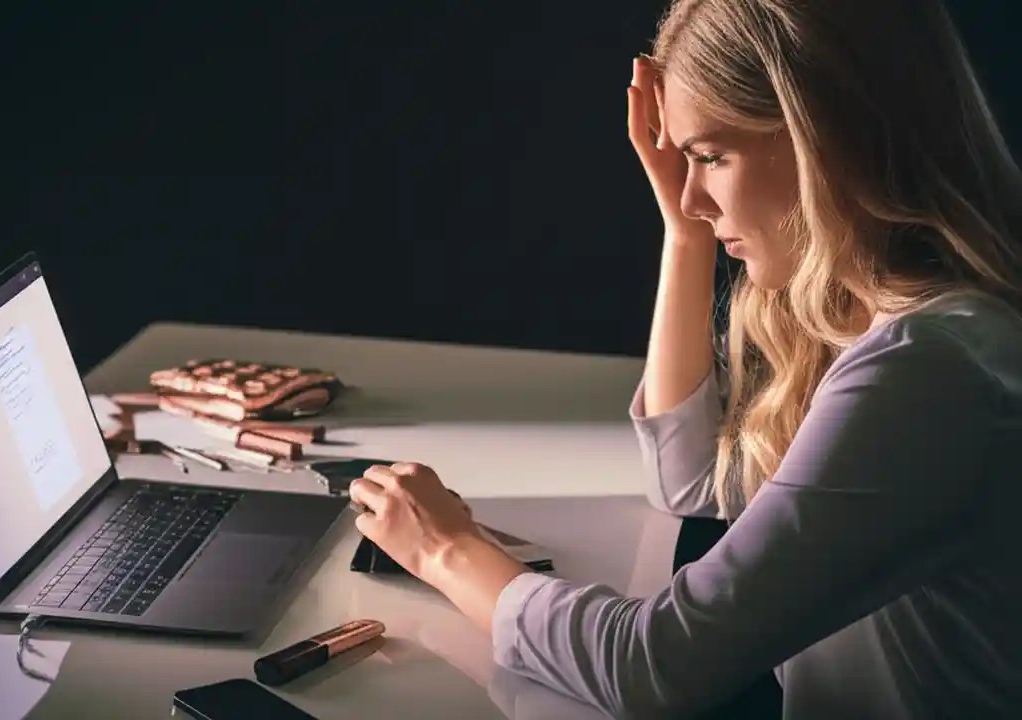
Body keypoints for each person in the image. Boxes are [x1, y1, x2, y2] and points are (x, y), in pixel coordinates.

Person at [347, 0, 1022, 717]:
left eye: (710, 157)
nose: (692, 194)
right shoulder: (891, 324)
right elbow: (693, 478)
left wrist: (444, 550)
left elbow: (655, 665)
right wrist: (684, 232)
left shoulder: (928, 372)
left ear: (825, 138)